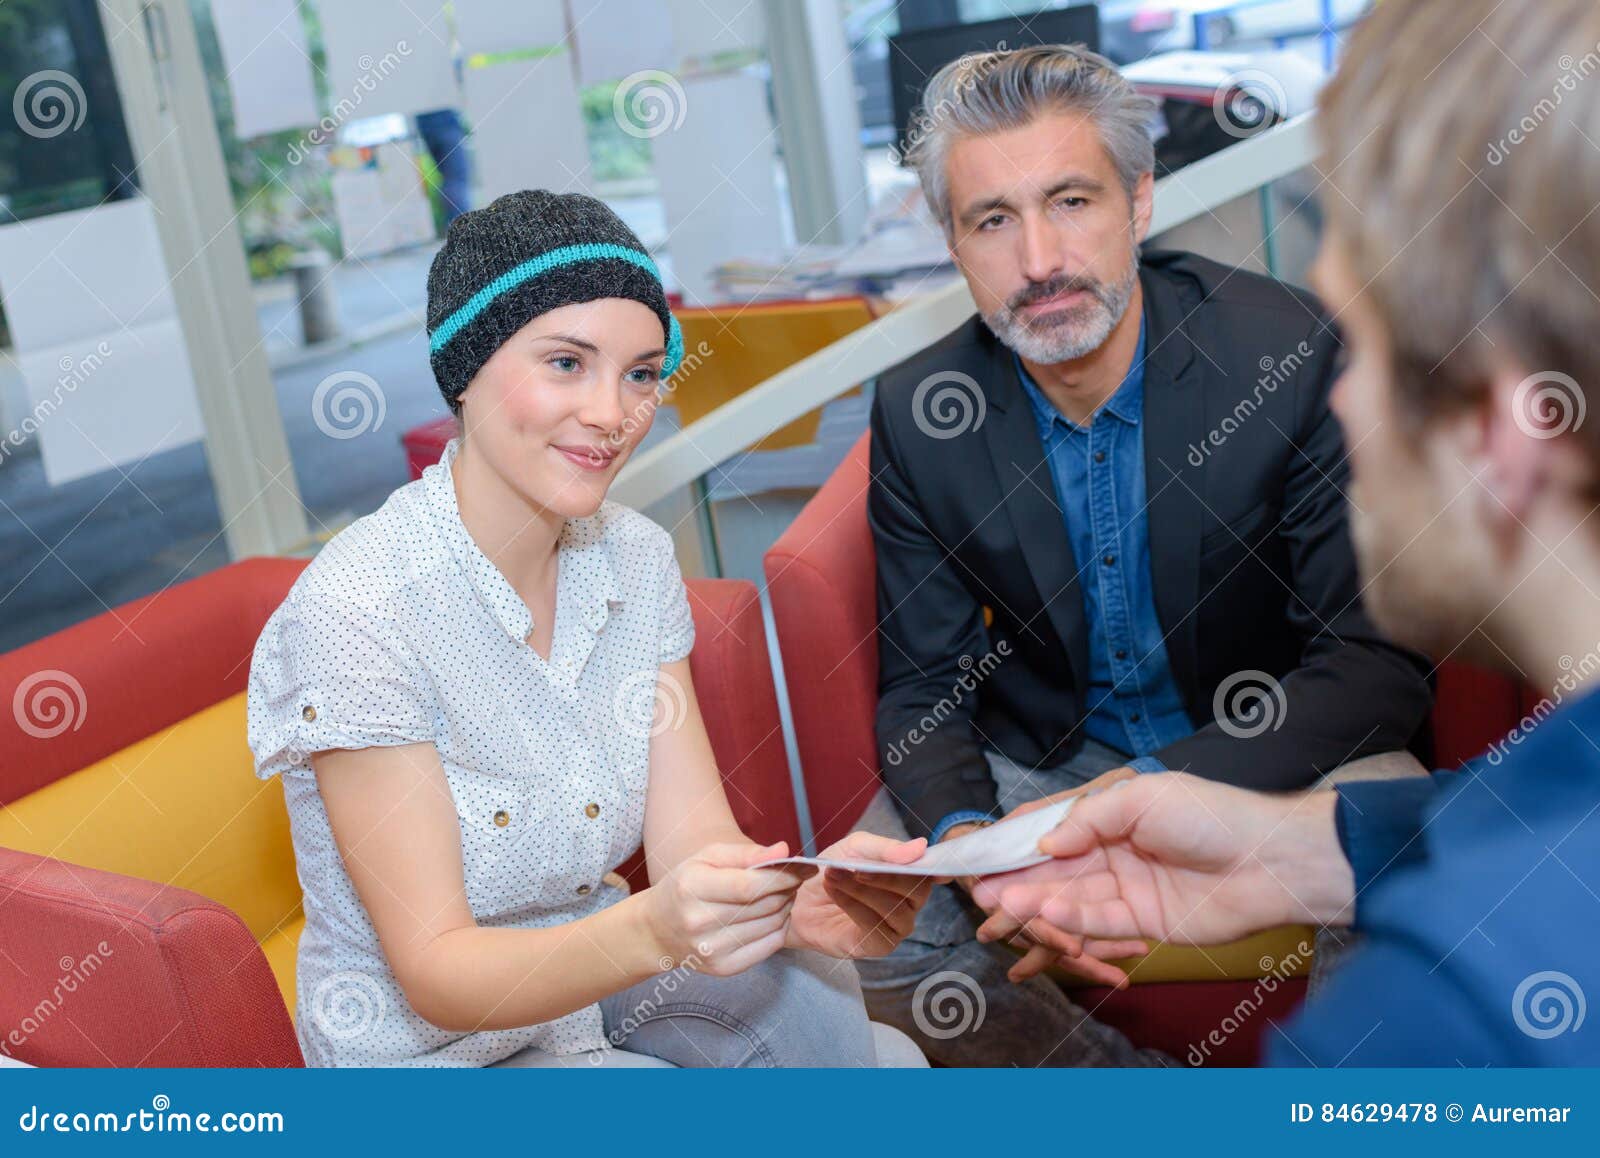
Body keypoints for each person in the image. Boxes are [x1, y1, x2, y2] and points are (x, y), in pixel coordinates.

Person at [980, 0, 1600, 1066]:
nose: (1345, 403)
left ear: (1507, 426)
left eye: (1360, 345)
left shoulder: (1444, 1024)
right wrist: (1304, 849)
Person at [247, 190, 931, 1067]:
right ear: (466, 367)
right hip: (437, 1054)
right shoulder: (357, 612)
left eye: (642, 372)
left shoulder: (636, 559)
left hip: (593, 989)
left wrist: (795, 904)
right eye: (567, 363)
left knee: (822, 996)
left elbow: (693, 844)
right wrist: (655, 925)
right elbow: (438, 973)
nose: (614, 414)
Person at [857, 42, 1431, 1066]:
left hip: (1269, 742)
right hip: (1053, 754)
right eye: (992, 220)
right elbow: (923, 688)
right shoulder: (920, 412)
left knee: (1408, 863)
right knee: (876, 935)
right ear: (953, 243)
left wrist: (1157, 789)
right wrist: (961, 842)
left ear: (1139, 202)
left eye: (1071, 201)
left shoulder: (1283, 355)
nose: (1038, 261)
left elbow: (1372, 667)